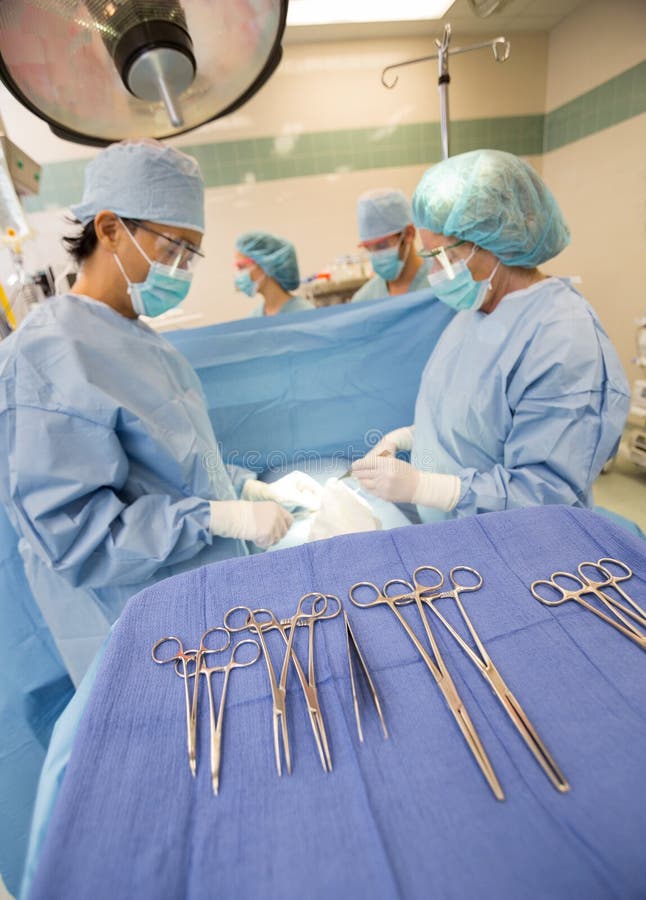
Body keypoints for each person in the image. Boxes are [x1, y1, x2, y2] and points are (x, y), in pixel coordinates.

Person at [0, 140, 321, 685]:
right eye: (173, 247)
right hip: (143, 636)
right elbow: (77, 537)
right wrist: (217, 518)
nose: (182, 268)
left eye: (191, 254)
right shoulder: (47, 353)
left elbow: (177, 466)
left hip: (206, 609)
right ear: (108, 229)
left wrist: (241, 490)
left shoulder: (139, 339)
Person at [352, 149, 629, 522]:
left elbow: (546, 495)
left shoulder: (562, 339)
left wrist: (428, 487)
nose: (434, 269)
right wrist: (407, 438)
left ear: (492, 242)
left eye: (442, 255)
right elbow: (473, 423)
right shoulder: (477, 310)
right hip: (458, 535)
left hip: (519, 552)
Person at [351, 188, 433, 303]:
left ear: (409, 233)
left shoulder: (442, 283)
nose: (376, 255)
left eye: (382, 245)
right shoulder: (365, 299)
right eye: (369, 248)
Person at [234, 231, 313, 316]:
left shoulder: (304, 315)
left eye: (241, 266)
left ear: (266, 264)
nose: (238, 274)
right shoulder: (254, 317)